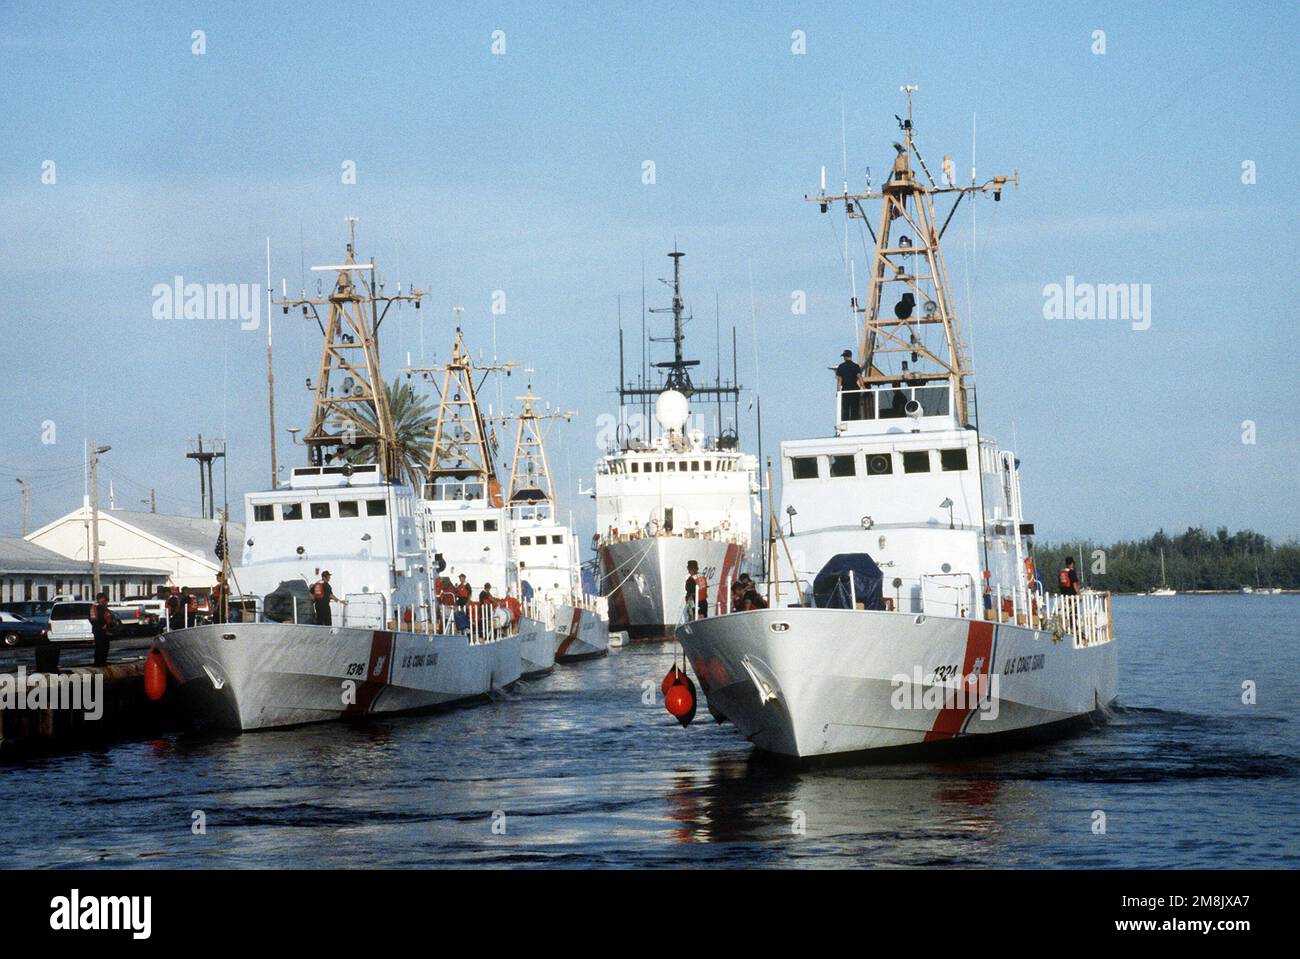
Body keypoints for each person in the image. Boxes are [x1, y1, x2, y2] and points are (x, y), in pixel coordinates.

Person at [831, 349, 863, 420]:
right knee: (855, 408)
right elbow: (859, 377)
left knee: (846, 409)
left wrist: (838, 391)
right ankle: (855, 420)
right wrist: (864, 388)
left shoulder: (841, 366)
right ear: (851, 356)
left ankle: (846, 420)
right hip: (855, 390)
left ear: (845, 357)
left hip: (846, 390)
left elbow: (839, 380)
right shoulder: (856, 366)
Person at [89, 592, 116, 667]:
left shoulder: (94, 607)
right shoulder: (100, 608)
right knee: (103, 646)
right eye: (104, 599)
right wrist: (104, 625)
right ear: (101, 599)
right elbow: (101, 618)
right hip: (101, 630)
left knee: (99, 646)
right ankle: (101, 662)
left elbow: (91, 619)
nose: (106, 601)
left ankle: (98, 662)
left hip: (96, 629)